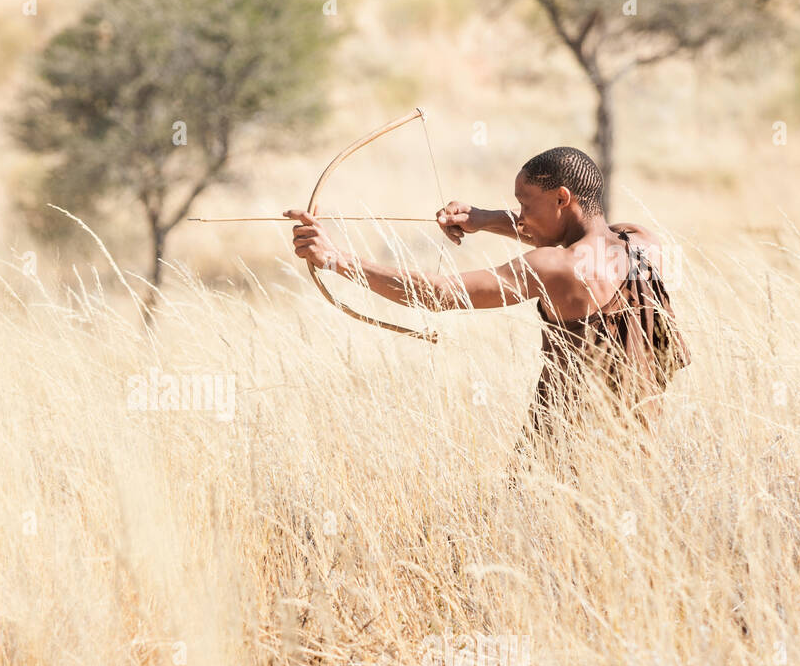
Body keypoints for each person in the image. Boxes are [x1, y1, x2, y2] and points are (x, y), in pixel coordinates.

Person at [285, 146, 690, 456]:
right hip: (638, 454)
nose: (521, 216)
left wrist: (337, 260)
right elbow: (569, 237)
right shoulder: (640, 241)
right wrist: (485, 218)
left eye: (525, 205)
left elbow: (439, 293)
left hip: (568, 456)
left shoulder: (555, 267)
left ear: (562, 198)